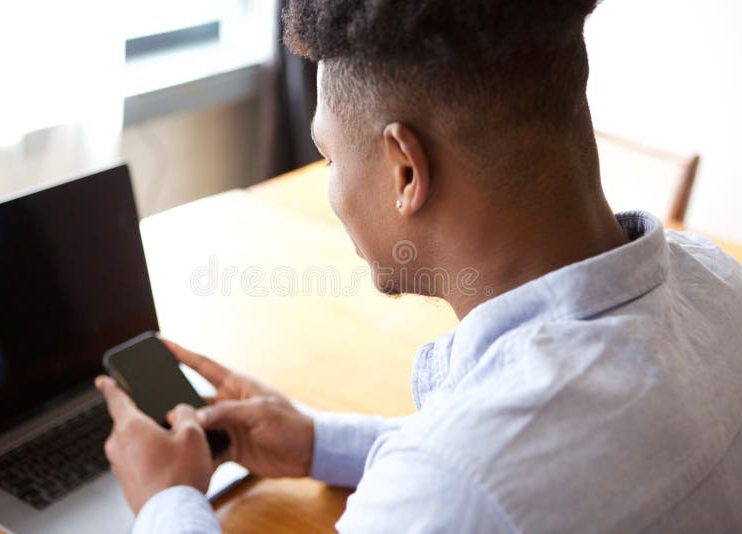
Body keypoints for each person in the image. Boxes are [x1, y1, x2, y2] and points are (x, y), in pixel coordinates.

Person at [95, 0, 742, 532]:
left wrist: (166, 500)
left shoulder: (452, 486)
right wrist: (320, 441)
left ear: (405, 169)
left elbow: (474, 476)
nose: (332, 189)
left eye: (327, 157)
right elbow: (552, 451)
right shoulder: (716, 280)